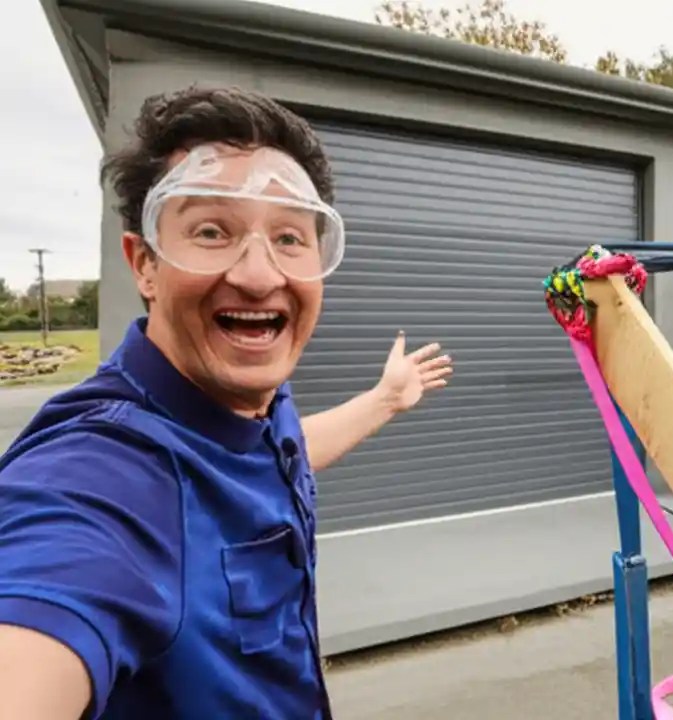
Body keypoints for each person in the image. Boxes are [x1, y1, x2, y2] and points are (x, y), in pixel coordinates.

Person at [0, 86, 452, 719]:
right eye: (212, 231)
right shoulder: (102, 478)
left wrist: (384, 399)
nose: (259, 275)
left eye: (289, 237)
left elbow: (278, 455)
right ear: (144, 263)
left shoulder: (253, 401)